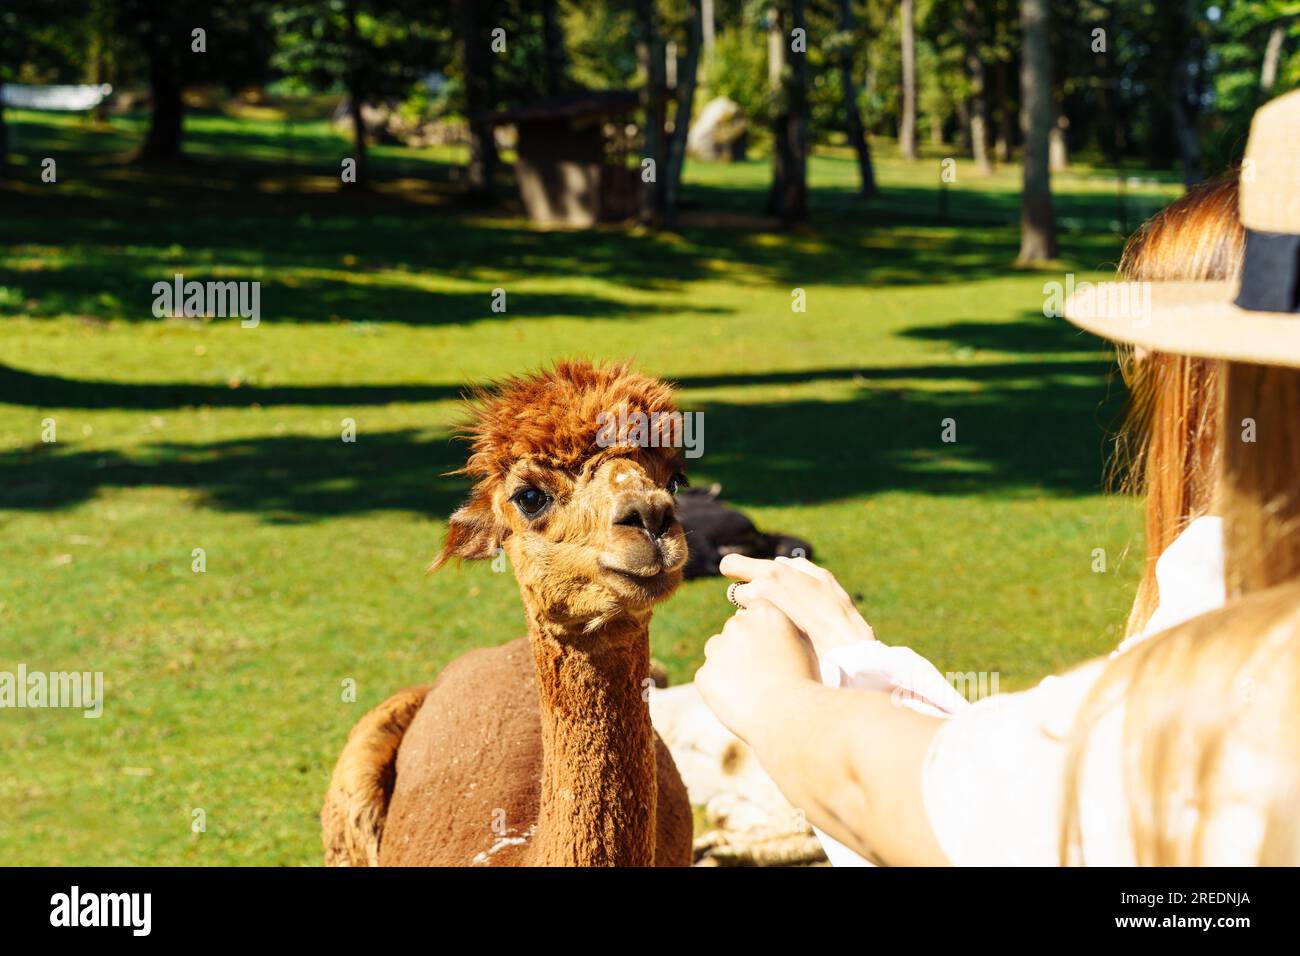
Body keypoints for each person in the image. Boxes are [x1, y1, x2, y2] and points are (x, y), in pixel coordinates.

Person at [695, 88, 1300, 865]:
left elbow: (989, 823)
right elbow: (1040, 798)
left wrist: (778, 701)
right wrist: (853, 653)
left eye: (1169, 340)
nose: (1143, 362)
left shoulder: (1236, 640)